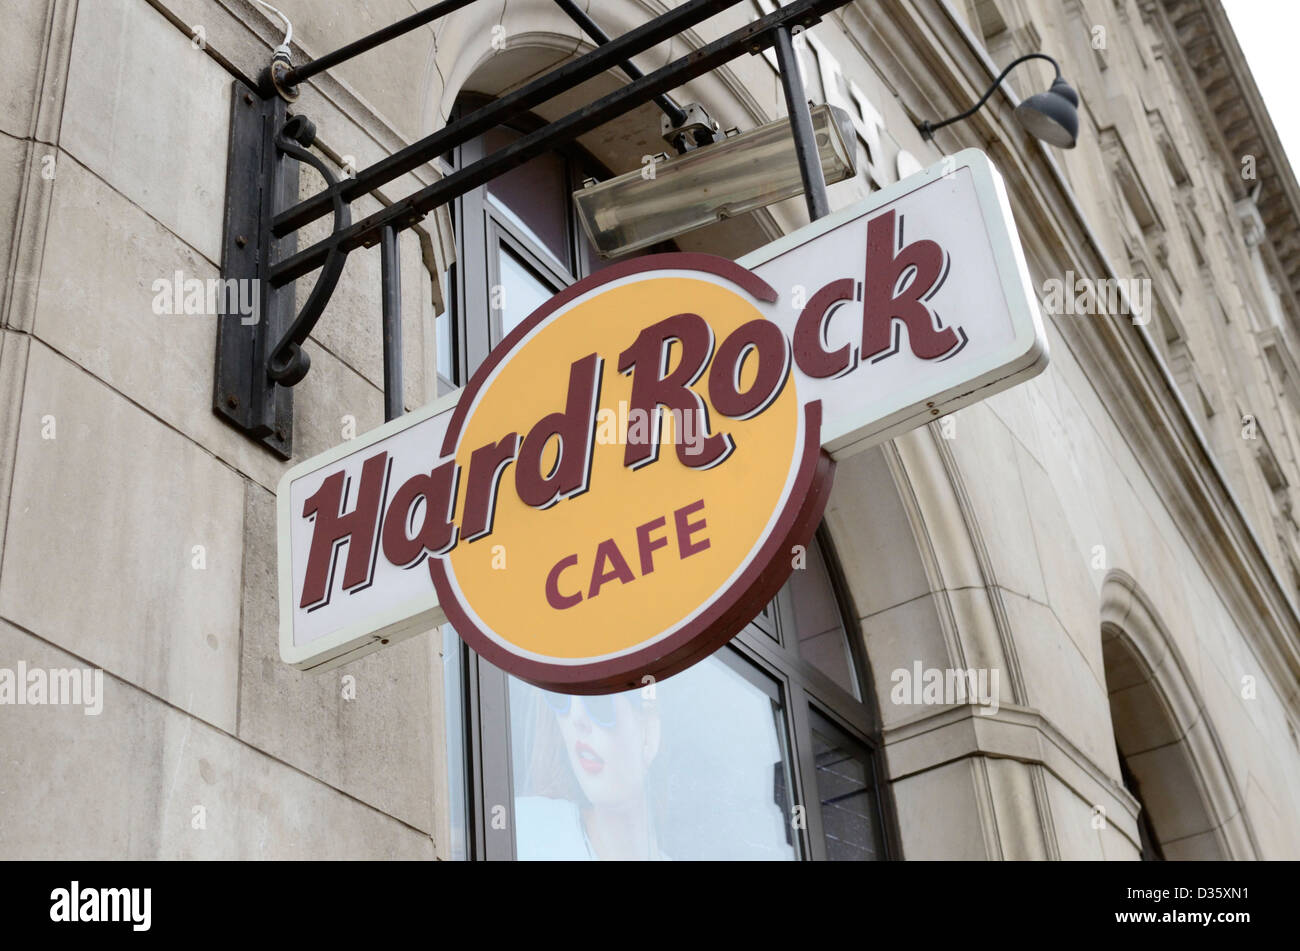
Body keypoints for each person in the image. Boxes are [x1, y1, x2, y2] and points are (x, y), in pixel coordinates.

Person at [514, 687, 669, 860]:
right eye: (559, 696)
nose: (576, 717)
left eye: (598, 699)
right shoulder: (518, 830)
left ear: (650, 729)